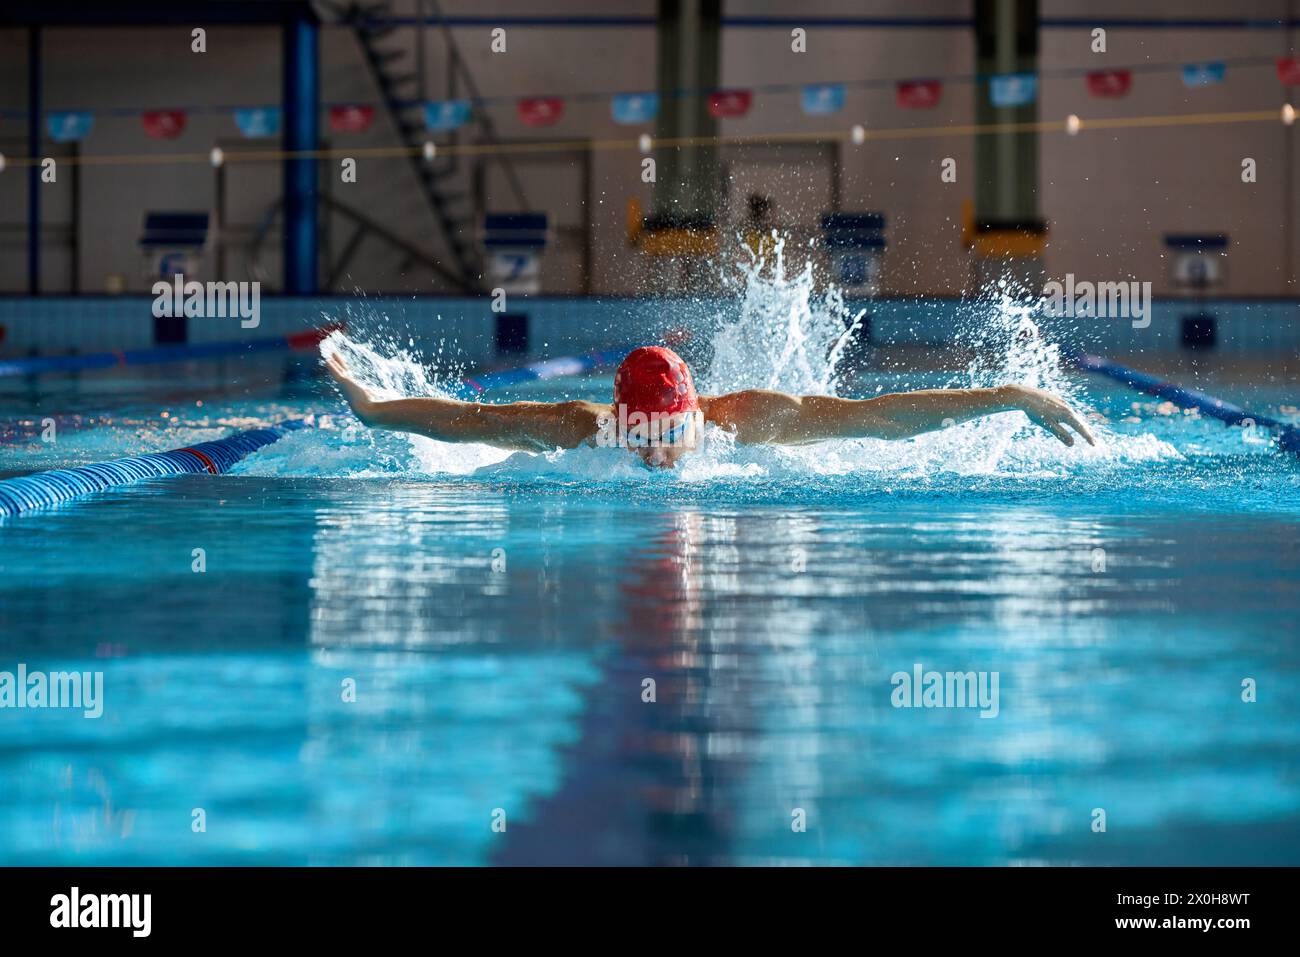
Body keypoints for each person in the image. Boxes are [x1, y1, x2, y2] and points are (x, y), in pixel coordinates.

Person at [324, 345, 1095, 469]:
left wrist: (1006, 397)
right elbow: (468, 423)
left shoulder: (750, 420)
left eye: (670, 432)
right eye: (644, 434)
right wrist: (374, 409)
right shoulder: (580, 428)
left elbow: (878, 415)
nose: (659, 453)